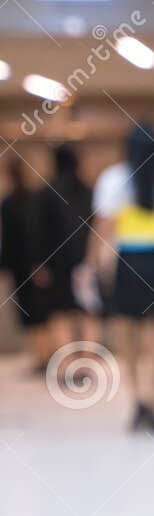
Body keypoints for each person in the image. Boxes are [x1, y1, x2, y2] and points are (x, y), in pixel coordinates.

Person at [93, 122, 154, 432]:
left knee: (128, 335)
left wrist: (94, 266)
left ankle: (138, 400)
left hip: (129, 263)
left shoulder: (114, 180)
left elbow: (103, 231)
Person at [34, 143, 95, 352]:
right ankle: (88, 361)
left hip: (55, 262)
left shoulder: (45, 192)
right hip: (85, 260)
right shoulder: (88, 190)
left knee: (60, 313)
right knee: (88, 311)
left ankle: (65, 363)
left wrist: (38, 263)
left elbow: (37, 231)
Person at [0, 154, 50, 372]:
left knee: (29, 312)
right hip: (37, 262)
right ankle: (45, 355)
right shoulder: (34, 198)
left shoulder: (9, 202)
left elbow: (8, 239)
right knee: (40, 311)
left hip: (20, 264)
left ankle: (40, 357)